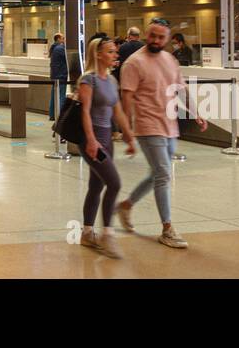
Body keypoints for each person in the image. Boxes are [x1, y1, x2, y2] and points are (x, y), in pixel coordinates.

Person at [117, 21, 206, 247]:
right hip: (147, 126)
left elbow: (181, 89)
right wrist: (126, 131)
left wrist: (196, 113)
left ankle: (126, 205)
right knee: (164, 174)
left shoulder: (170, 60)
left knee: (158, 174)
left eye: (161, 37)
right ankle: (167, 229)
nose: (156, 40)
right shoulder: (134, 63)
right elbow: (126, 98)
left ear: (166, 39)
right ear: (146, 34)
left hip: (169, 125)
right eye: (153, 35)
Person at [77, 36, 137, 259]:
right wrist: (91, 140)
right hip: (91, 138)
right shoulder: (88, 80)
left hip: (107, 138)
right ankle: (107, 234)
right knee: (114, 183)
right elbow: (84, 112)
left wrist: (129, 136)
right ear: (99, 54)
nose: (115, 55)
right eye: (111, 51)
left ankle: (86, 232)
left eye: (115, 52)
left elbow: (118, 111)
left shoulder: (111, 81)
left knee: (96, 185)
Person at [48, 33, 67, 120]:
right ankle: (60, 117)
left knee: (54, 96)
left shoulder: (53, 48)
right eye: (63, 38)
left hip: (54, 75)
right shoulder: (60, 48)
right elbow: (67, 58)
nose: (64, 40)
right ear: (58, 39)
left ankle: (52, 114)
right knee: (61, 97)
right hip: (61, 75)